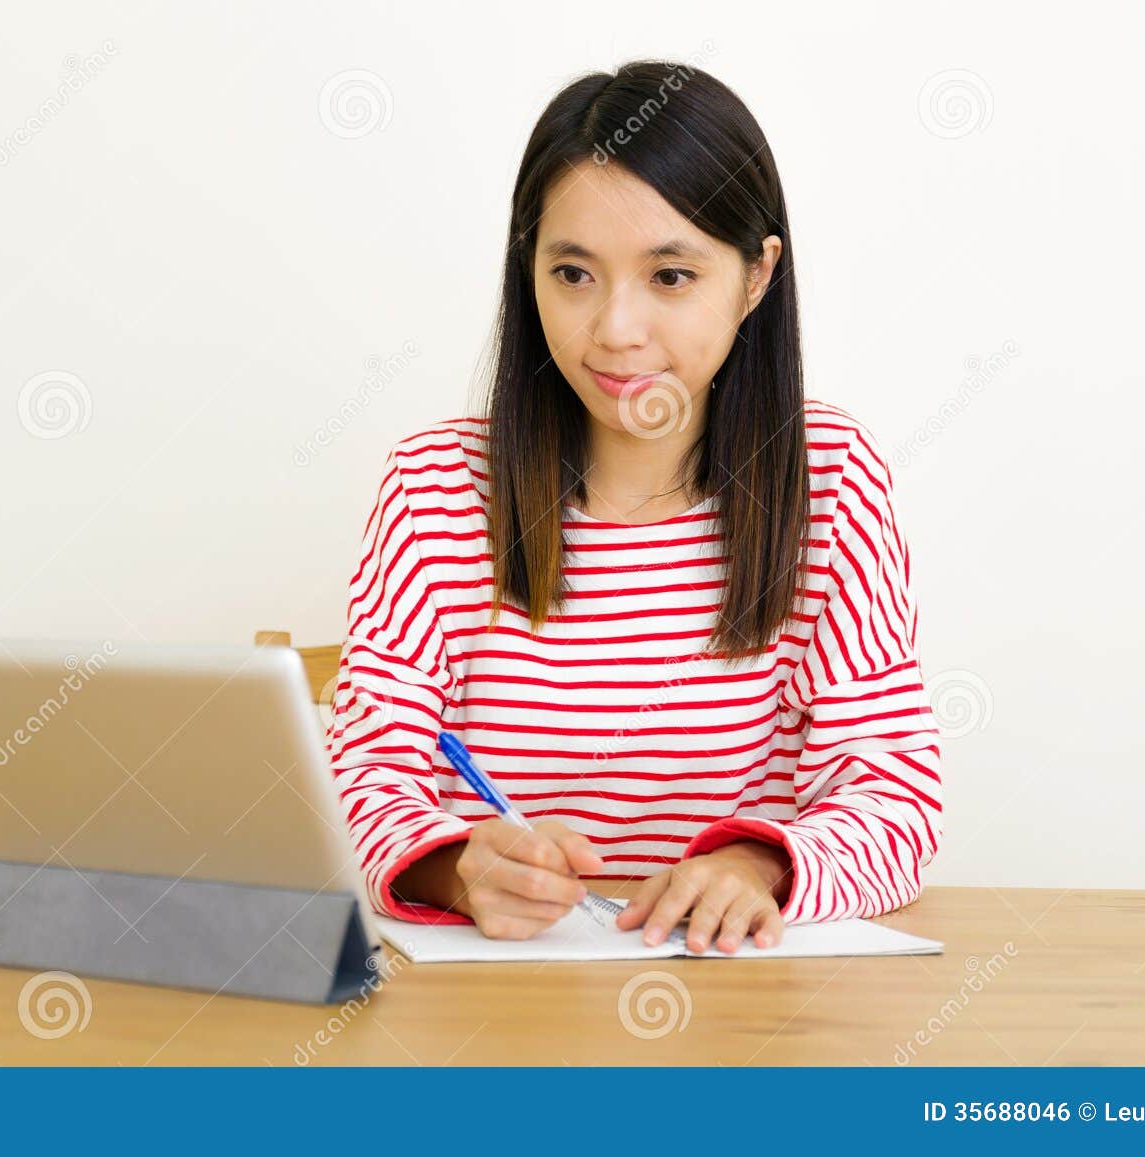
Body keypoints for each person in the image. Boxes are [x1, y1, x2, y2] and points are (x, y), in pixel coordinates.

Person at [326, 60, 942, 955]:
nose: (615, 329)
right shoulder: (434, 485)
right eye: (573, 273)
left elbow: (896, 802)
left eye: (671, 276)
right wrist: (455, 868)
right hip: (489, 1003)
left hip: (741, 1005)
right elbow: (358, 781)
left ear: (757, 275)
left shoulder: (830, 478)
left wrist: (754, 867)